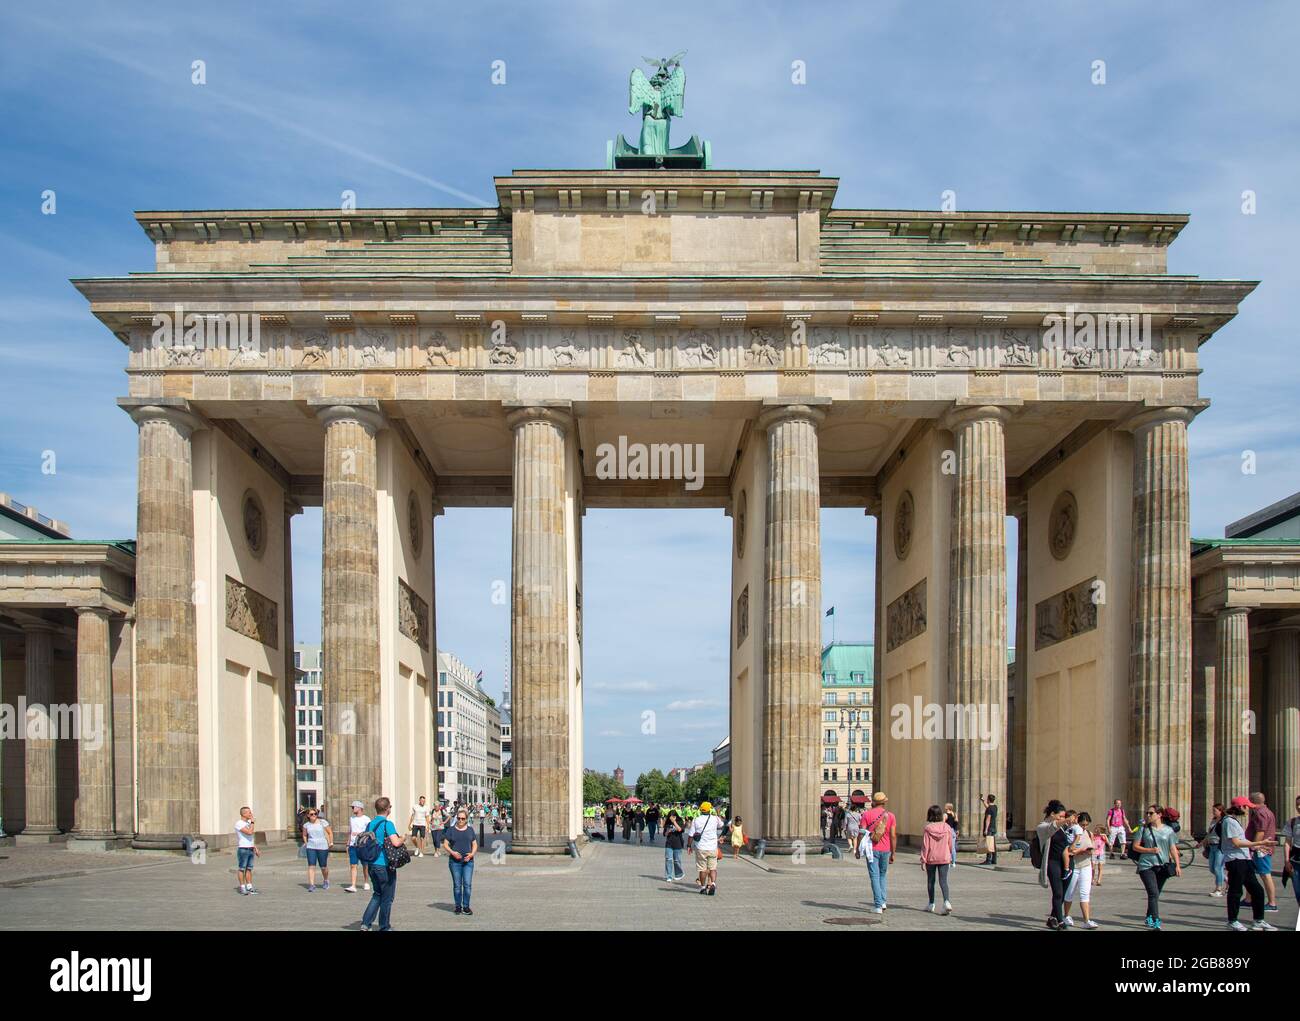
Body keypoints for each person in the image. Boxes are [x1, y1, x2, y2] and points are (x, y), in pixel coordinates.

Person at [1221, 796, 1276, 930]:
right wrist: (1260, 842)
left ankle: (1258, 920)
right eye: (1246, 807)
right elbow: (1236, 843)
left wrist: (1258, 847)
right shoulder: (1229, 821)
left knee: (1257, 891)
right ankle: (1232, 921)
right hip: (1235, 861)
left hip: (1245, 860)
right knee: (1235, 891)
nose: (1248, 810)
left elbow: (1241, 843)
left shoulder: (1234, 821)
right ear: (1240, 807)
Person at [1132, 805, 1181, 930]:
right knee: (1153, 892)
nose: (1148, 815)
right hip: (1146, 865)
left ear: (1159, 815)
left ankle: (1149, 916)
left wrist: (1178, 865)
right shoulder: (1143, 829)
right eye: (1147, 813)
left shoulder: (1168, 830)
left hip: (1162, 865)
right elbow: (1135, 847)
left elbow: (1173, 848)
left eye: (1151, 813)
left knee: (1155, 894)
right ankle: (1156, 920)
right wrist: (1150, 850)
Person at [360, 797, 404, 932]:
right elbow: (396, 842)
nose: (390, 809)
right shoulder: (387, 824)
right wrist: (403, 838)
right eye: (390, 807)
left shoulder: (370, 824)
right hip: (384, 864)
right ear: (387, 809)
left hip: (372, 864)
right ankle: (384, 926)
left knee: (377, 894)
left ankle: (366, 923)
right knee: (387, 897)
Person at [861, 792, 897, 915]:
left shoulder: (866, 814)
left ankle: (878, 905)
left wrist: (858, 849)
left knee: (874, 876)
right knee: (882, 875)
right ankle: (883, 901)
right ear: (884, 802)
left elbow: (862, 832)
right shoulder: (890, 816)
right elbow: (893, 835)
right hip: (886, 849)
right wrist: (893, 852)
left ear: (874, 802)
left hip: (871, 849)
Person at [1035, 800, 1069, 929]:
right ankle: (1060, 921)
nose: (1062, 819)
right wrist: (1065, 821)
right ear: (1052, 814)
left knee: (1063, 893)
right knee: (1058, 892)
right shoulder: (1043, 826)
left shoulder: (1062, 827)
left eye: (1064, 817)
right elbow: (1052, 827)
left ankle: (1052, 918)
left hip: (1065, 862)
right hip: (1052, 862)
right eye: (1060, 816)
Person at [1062, 811, 1098, 928]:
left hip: (1086, 865)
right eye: (1083, 824)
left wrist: (1089, 850)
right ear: (1078, 821)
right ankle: (1066, 915)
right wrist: (1080, 851)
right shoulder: (1072, 831)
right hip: (1074, 865)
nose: (1084, 827)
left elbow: (1093, 849)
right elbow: (1069, 850)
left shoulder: (1089, 833)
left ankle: (1086, 920)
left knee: (1085, 893)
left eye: (1087, 825)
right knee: (1070, 892)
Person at [1244, 791, 1279, 912]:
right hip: (1262, 848)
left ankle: (1272, 903)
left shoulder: (1260, 813)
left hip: (1261, 849)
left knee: (1265, 874)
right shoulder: (1267, 811)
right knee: (1250, 873)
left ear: (1253, 802)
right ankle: (1248, 900)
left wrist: (1253, 846)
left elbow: (1260, 831)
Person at [442, 806, 478, 916]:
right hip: (455, 862)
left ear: (466, 819)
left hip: (468, 862)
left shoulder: (470, 830)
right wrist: (452, 852)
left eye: (463, 818)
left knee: (467, 884)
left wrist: (472, 854)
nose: (460, 820)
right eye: (459, 818)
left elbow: (474, 844)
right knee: (457, 885)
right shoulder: (451, 830)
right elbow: (445, 844)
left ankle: (466, 906)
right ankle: (458, 906)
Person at [920, 805, 953, 915]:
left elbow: (926, 846)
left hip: (931, 858)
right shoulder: (947, 827)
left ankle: (931, 904)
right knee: (943, 881)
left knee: (931, 881)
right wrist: (950, 855)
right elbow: (950, 844)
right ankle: (947, 901)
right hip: (944, 857)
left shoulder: (928, 828)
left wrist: (923, 859)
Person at [687, 801, 722, 896]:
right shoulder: (715, 819)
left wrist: (689, 846)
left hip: (701, 848)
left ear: (701, 810)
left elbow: (691, 835)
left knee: (702, 869)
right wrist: (717, 814)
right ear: (710, 809)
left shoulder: (696, 819)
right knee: (713, 868)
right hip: (712, 847)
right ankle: (713, 884)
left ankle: (703, 887)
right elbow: (721, 825)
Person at [301, 808, 333, 892]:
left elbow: (330, 832)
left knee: (323, 866)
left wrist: (331, 842)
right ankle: (312, 885)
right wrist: (306, 843)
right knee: (311, 865)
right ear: (308, 815)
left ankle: (326, 880)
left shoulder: (323, 822)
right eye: (311, 814)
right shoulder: (306, 825)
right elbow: (304, 835)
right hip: (311, 846)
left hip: (323, 846)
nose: (314, 815)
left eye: (315, 814)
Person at [345, 800, 372, 893]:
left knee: (365, 864)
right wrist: (348, 844)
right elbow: (350, 831)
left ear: (360, 808)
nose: (352, 809)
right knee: (353, 865)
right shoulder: (351, 818)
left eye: (354, 807)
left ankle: (366, 882)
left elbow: (370, 832)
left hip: (363, 845)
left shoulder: (366, 819)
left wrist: (361, 833)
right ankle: (353, 885)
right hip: (353, 844)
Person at [235, 806, 260, 896]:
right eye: (249, 813)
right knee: (242, 868)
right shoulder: (239, 823)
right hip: (243, 849)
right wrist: (252, 822)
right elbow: (249, 832)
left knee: (249, 868)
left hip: (250, 848)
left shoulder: (249, 823)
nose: (251, 814)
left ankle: (249, 887)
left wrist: (255, 847)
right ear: (244, 814)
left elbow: (250, 837)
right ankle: (242, 887)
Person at [1203, 802, 1227, 898]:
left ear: (1220, 811)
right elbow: (1209, 833)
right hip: (1211, 846)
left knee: (1218, 868)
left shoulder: (1224, 821)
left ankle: (1219, 889)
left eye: (1214, 810)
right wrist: (1202, 843)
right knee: (1212, 868)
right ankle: (1226, 879)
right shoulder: (1213, 820)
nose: (1213, 812)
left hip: (1219, 847)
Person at [1282, 794, 1300, 907]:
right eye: (1297, 805)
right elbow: (1287, 842)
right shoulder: (1292, 822)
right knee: (1298, 892)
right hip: (1296, 861)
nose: (1299, 807)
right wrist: (1286, 861)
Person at [663, 809, 685, 881]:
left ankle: (679, 874)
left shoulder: (680, 821)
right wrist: (667, 831)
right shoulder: (667, 823)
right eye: (670, 817)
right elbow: (664, 834)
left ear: (676, 816)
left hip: (678, 843)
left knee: (677, 860)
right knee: (668, 859)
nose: (671, 818)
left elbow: (680, 830)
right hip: (669, 844)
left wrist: (674, 822)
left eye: (673, 816)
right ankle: (669, 876)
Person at [980, 794, 998, 865]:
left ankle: (988, 860)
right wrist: (983, 801)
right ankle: (994, 859)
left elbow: (988, 819)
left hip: (989, 828)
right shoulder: (995, 807)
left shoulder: (989, 809)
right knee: (993, 844)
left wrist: (986, 829)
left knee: (988, 844)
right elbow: (988, 807)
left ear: (988, 799)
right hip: (994, 827)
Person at [1091, 823, 1107, 887]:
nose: (1096, 831)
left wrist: (1103, 836)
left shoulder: (1103, 836)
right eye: (1096, 829)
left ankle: (1099, 880)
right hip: (1094, 853)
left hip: (1101, 854)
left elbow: (1108, 842)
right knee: (1093, 867)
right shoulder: (1093, 836)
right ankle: (1092, 879)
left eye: (1098, 830)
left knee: (1100, 868)